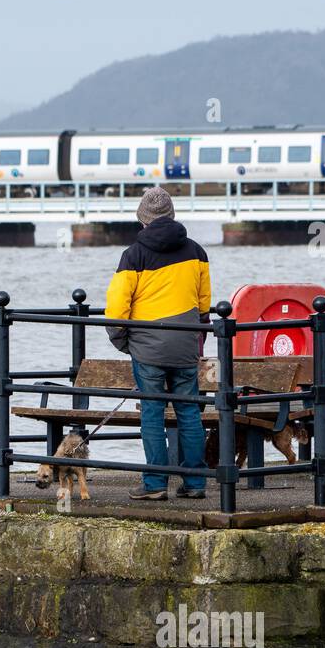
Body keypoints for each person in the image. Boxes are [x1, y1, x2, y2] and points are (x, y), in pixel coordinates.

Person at [104, 186, 211, 499]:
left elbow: (117, 308)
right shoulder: (196, 252)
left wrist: (124, 342)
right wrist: (195, 336)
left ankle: (155, 484)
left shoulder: (133, 255)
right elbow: (204, 305)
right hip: (184, 345)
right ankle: (195, 483)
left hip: (147, 346)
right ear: (172, 215)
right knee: (190, 413)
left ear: (143, 219)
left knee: (152, 413)